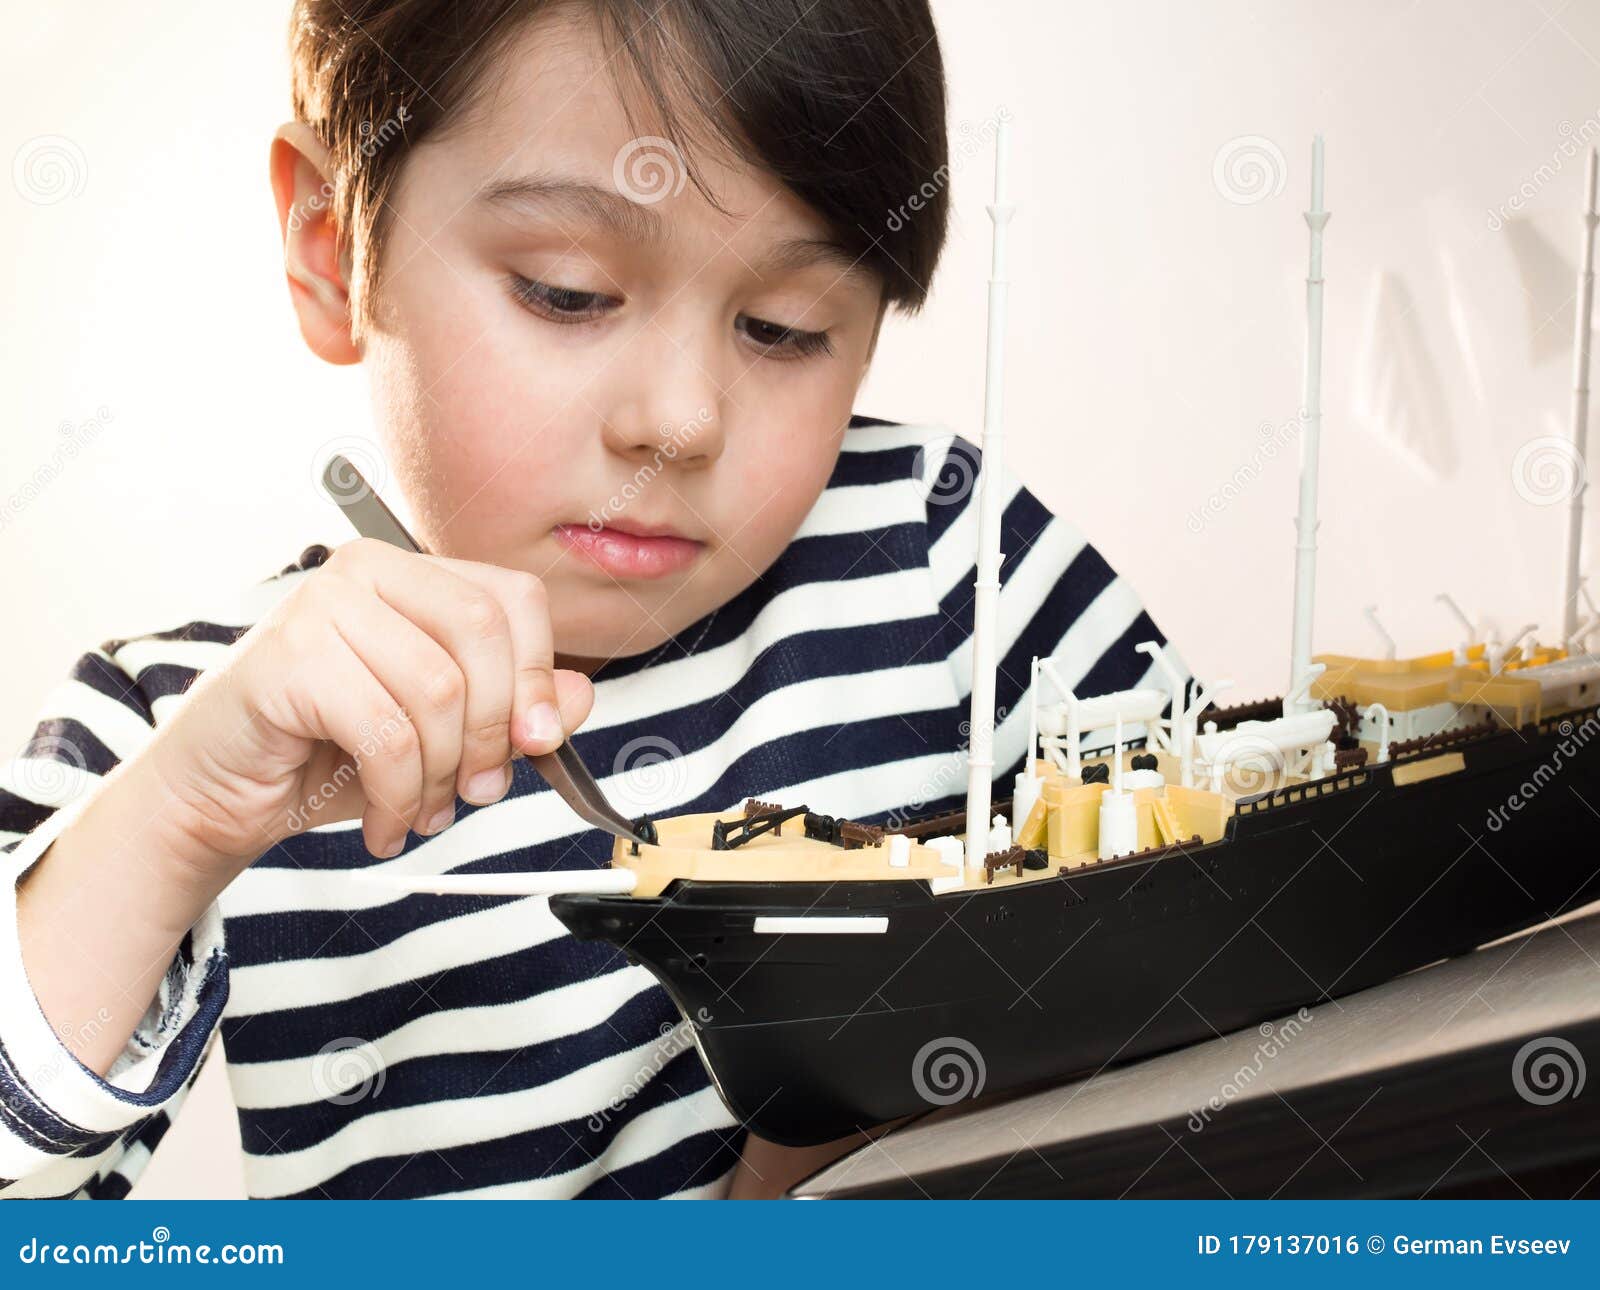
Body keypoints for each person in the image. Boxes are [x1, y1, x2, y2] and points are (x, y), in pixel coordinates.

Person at [1, 0, 1188, 1199]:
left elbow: (1248, 983)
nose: (678, 421)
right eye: (567, 293)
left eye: (783, 330)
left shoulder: (951, 557)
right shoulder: (175, 732)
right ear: (330, 241)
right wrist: (176, 831)